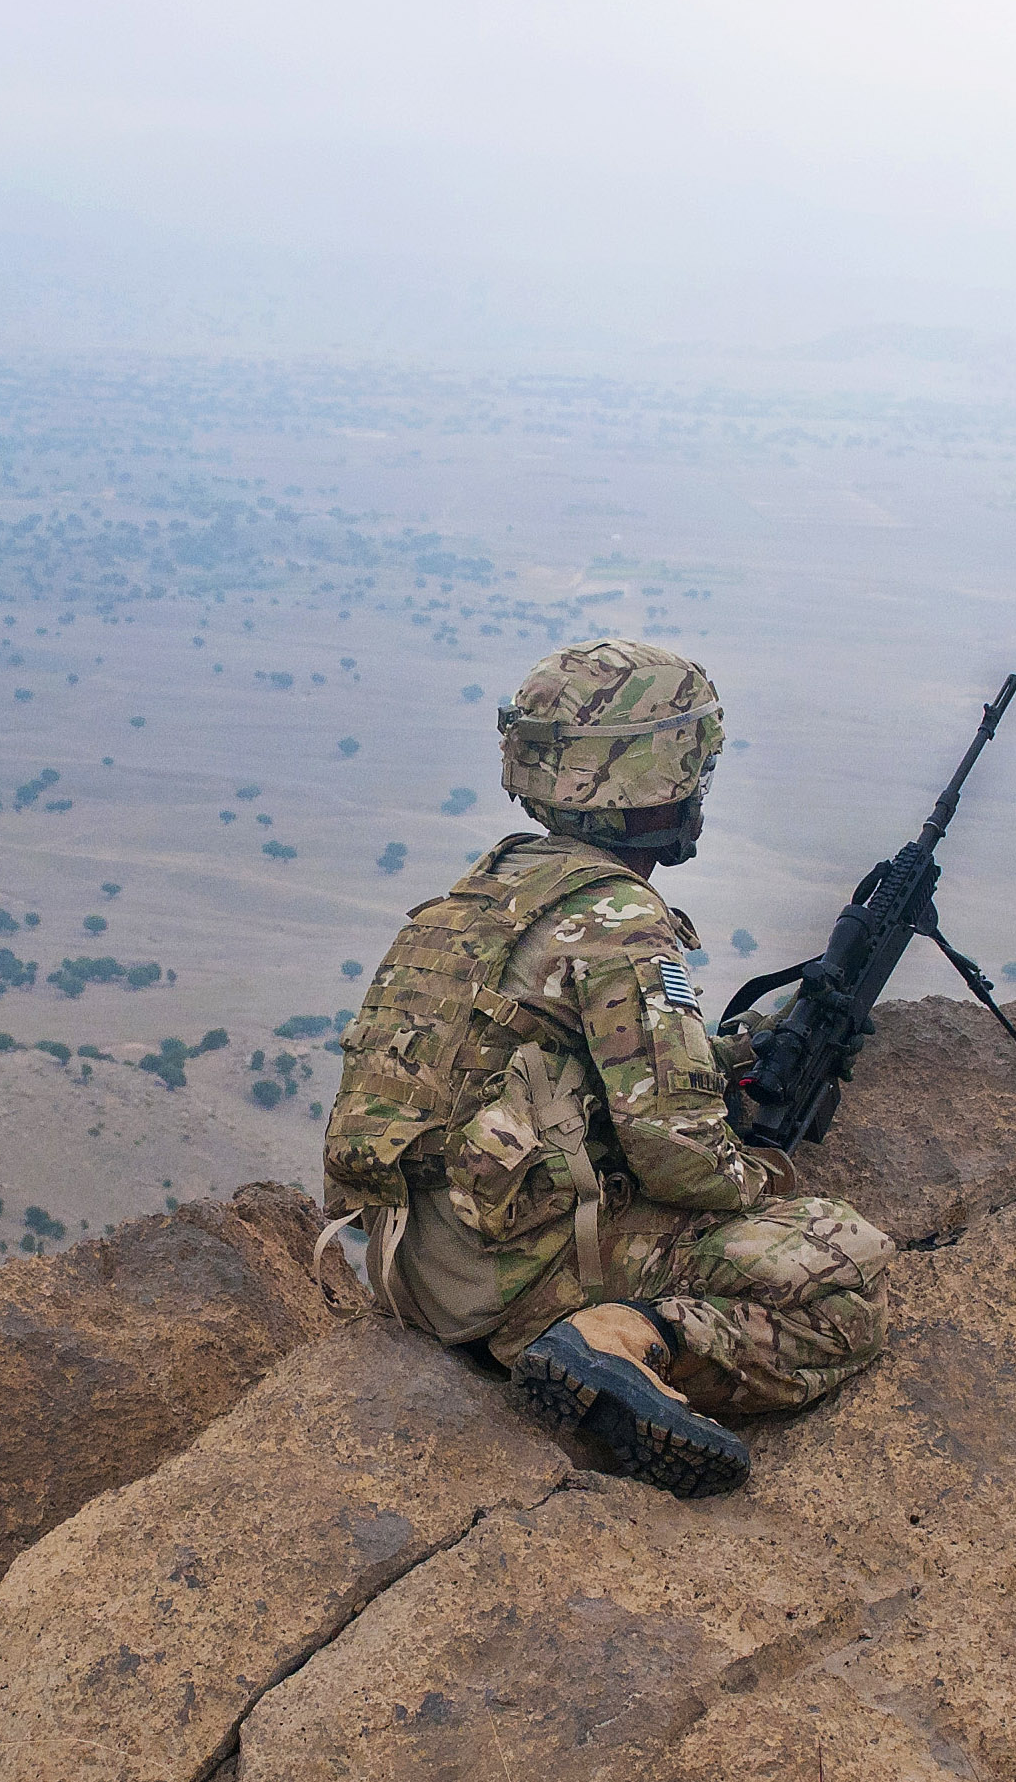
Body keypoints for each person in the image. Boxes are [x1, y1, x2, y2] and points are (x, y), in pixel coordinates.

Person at [324, 639, 896, 1497]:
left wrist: (727, 1062)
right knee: (841, 1267)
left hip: (408, 1263)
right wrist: (760, 1181)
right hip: (506, 1282)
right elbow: (678, 1153)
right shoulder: (623, 916)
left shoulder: (493, 886)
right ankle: (617, 1341)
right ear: (651, 774)